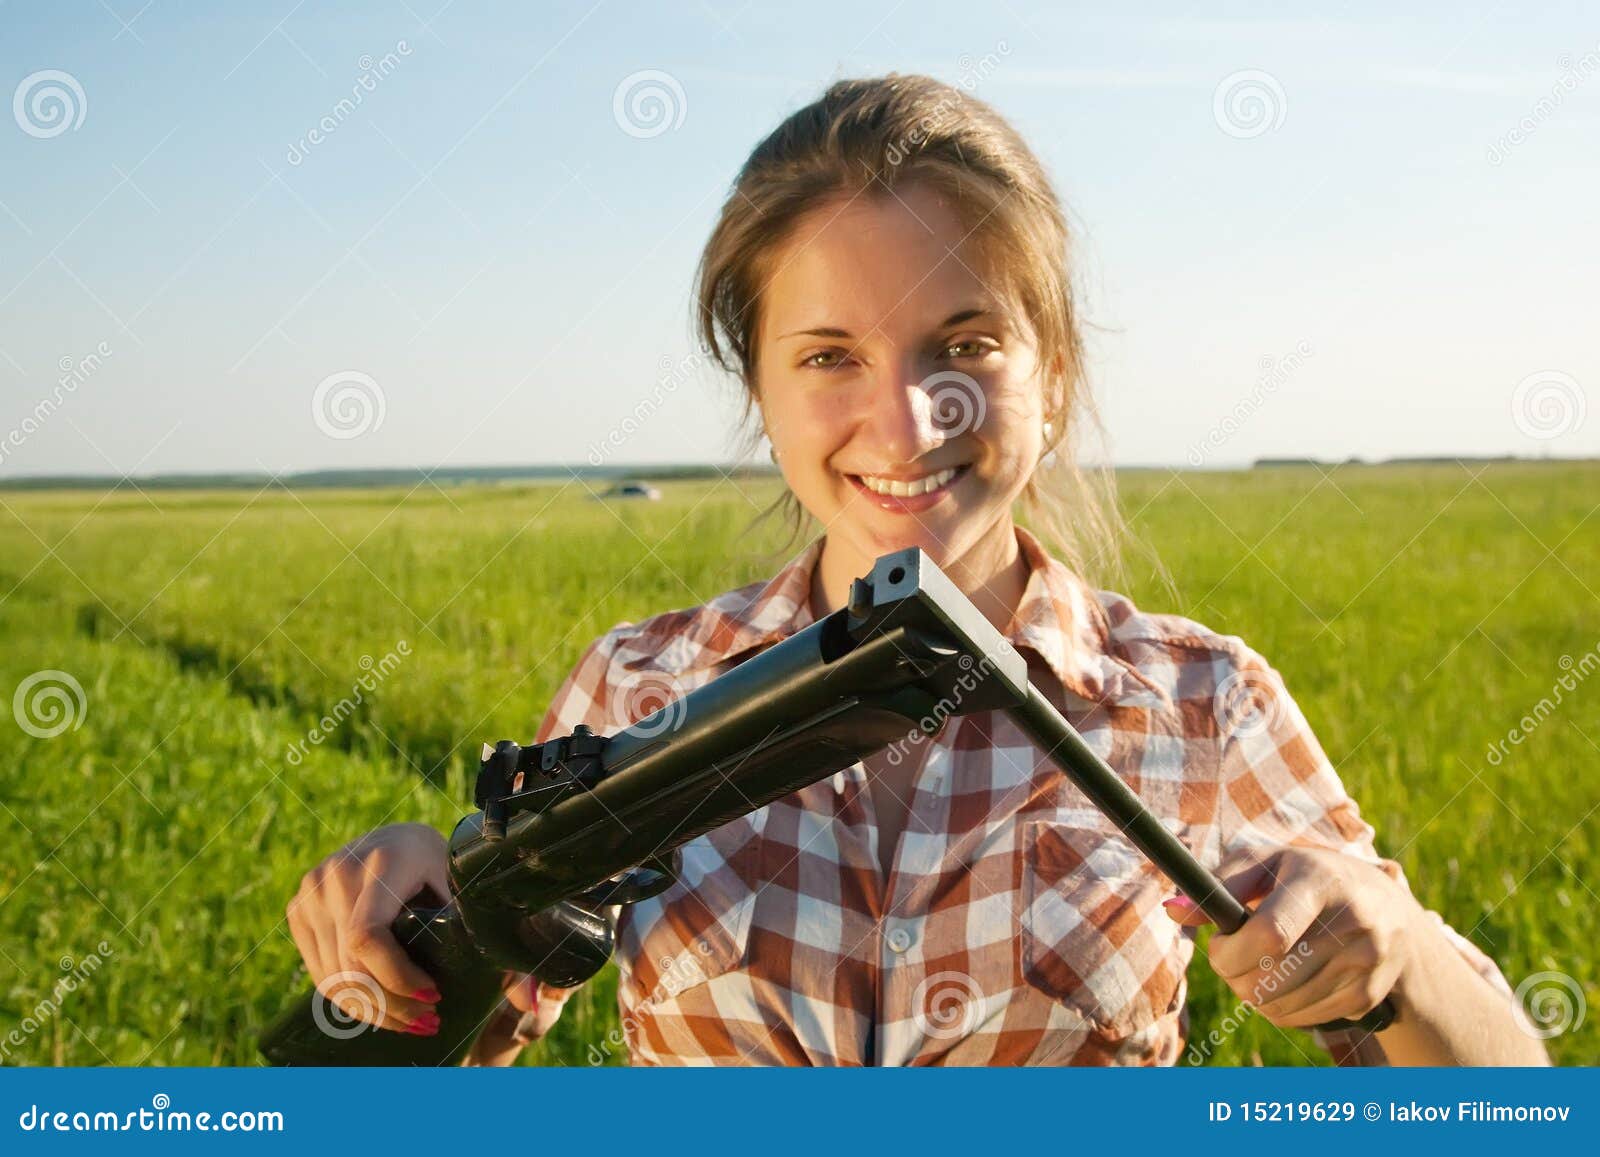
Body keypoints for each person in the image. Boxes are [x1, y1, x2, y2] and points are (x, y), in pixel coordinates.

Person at [286, 74, 1548, 1067]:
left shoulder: (1199, 702)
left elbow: (1507, 1092)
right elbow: (443, 1049)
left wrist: (1397, 960)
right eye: (830, 355)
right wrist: (420, 912)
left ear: (1051, 378)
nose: (906, 422)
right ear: (761, 392)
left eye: (966, 343)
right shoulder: (641, 683)